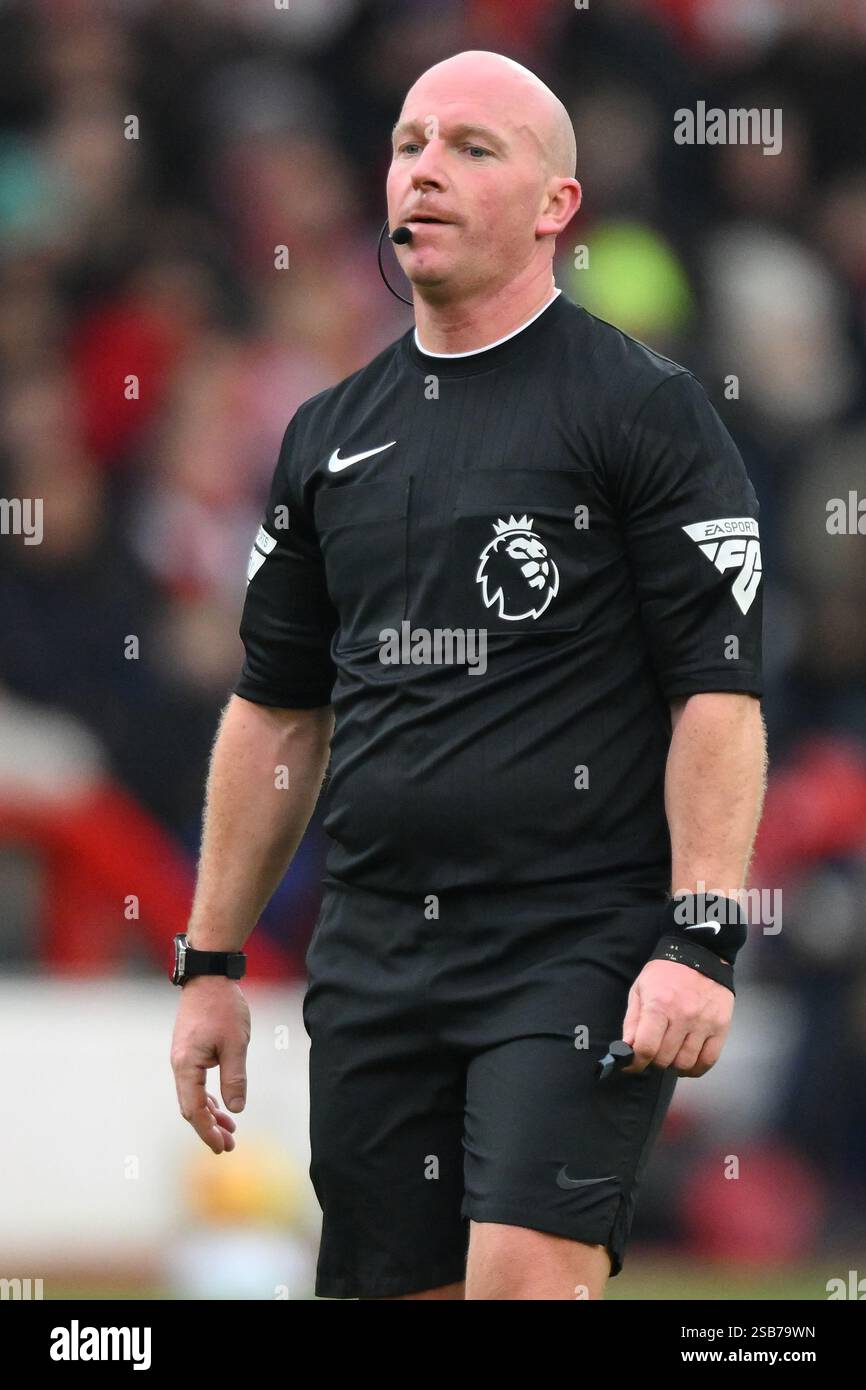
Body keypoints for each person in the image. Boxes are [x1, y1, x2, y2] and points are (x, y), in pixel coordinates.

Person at [170, 50, 767, 1301]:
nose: (423, 170)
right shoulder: (329, 435)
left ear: (556, 205)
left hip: (574, 938)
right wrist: (212, 964)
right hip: (376, 950)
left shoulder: (638, 410)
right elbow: (276, 707)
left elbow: (714, 692)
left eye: (469, 149)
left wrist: (701, 938)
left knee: (518, 1282)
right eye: (407, 142)